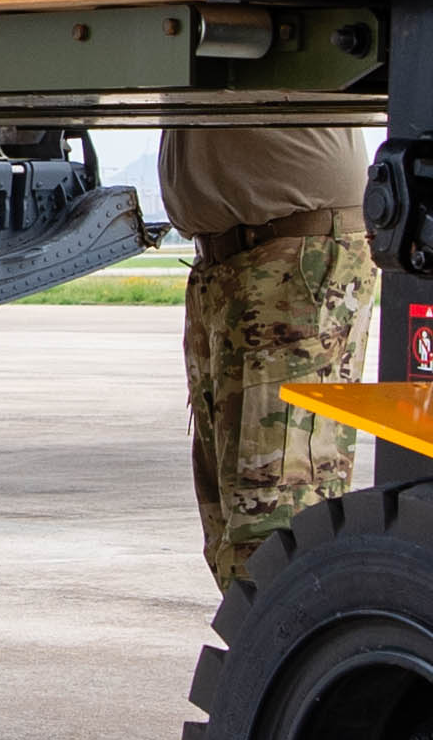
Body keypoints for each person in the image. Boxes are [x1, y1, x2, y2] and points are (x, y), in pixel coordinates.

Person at [162, 122, 379, 592]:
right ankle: (260, 655)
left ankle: (290, 659)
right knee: (229, 528)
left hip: (292, 253)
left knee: (277, 527)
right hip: (230, 261)